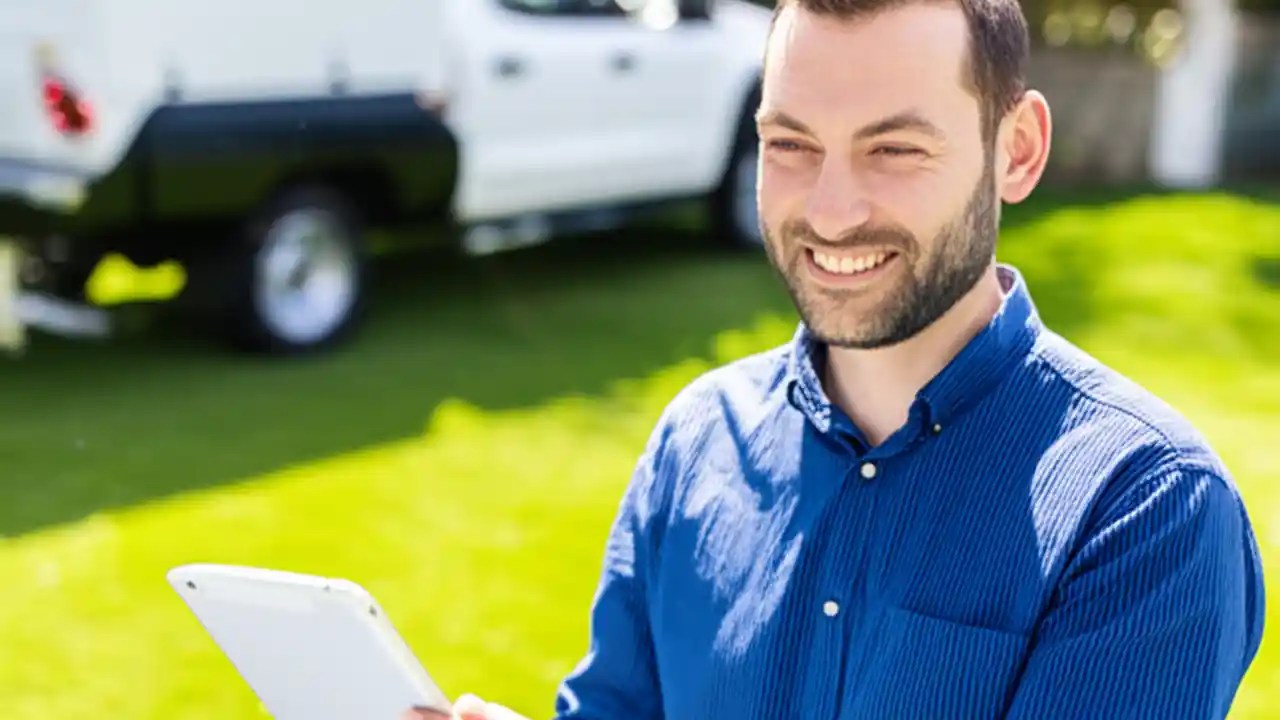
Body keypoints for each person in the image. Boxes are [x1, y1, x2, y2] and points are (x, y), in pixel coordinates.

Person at [406, 0, 1266, 716]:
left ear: (1017, 150)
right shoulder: (695, 444)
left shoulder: (1144, 511)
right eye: (790, 144)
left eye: (893, 149)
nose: (831, 211)